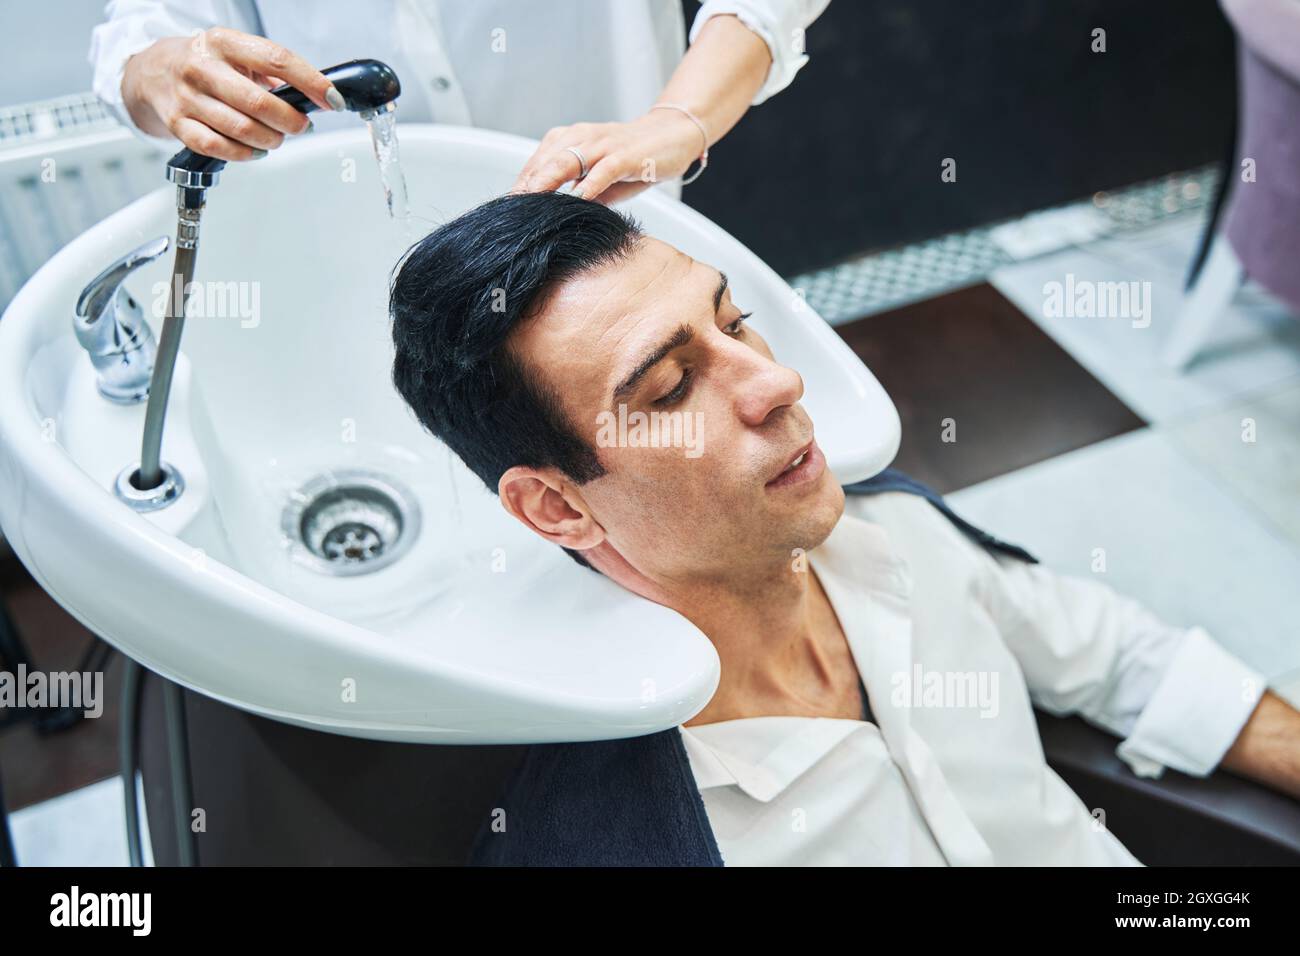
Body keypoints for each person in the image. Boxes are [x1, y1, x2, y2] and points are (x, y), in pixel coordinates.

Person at [387, 189, 1300, 865]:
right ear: (556, 505)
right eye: (669, 389)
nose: (775, 382)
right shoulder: (623, 839)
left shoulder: (893, 530)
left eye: (734, 323)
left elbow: (1130, 663)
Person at [88, 0, 832, 204]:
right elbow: (141, 38)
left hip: (613, 212)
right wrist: (158, 70)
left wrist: (680, 118)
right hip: (355, 235)